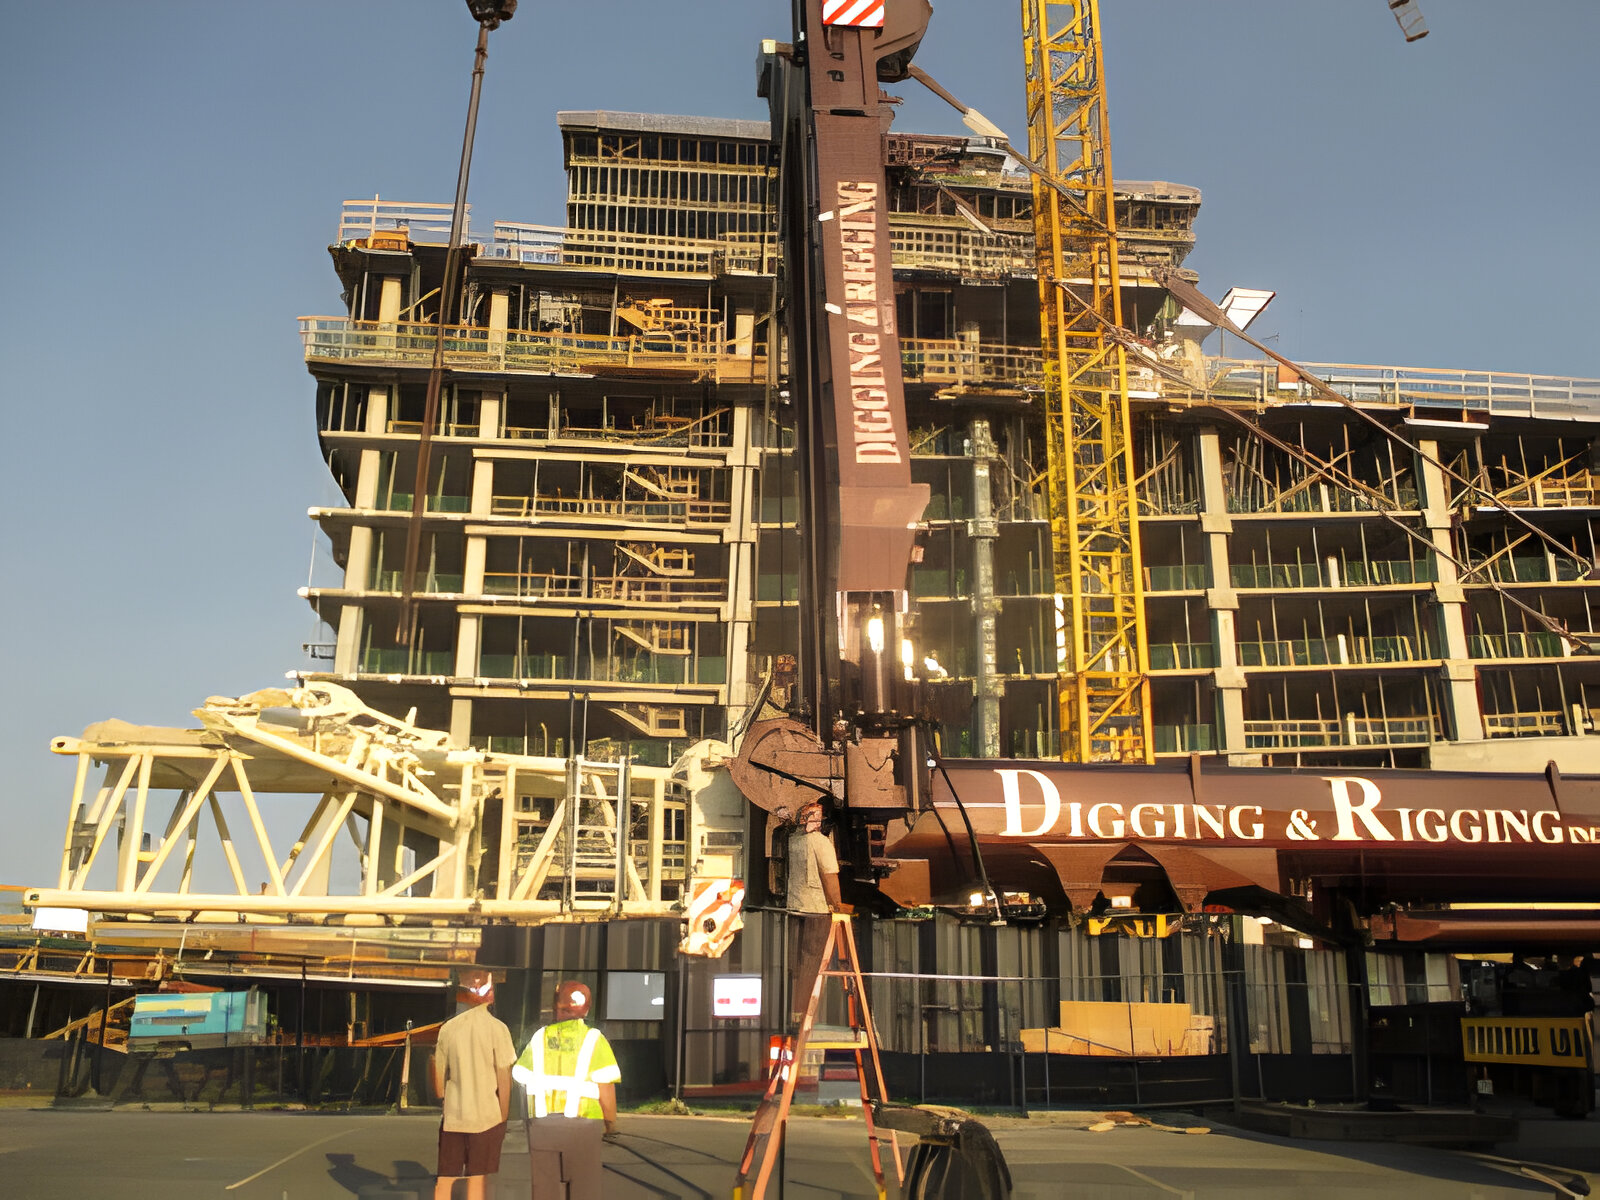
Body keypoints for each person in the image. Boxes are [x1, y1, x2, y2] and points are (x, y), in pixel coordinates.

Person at [512, 981, 621, 1200]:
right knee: (584, 1188)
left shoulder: (539, 1038)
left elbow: (520, 1075)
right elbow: (605, 1086)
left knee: (545, 1189)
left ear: (556, 1007)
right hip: (584, 1125)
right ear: (586, 1009)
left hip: (542, 1125)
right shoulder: (594, 1039)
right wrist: (610, 1124)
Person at [431, 968, 517, 1200]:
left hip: (454, 1117)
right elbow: (504, 1080)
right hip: (487, 1118)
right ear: (490, 995)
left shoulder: (447, 1029)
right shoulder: (498, 1029)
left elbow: (439, 1086)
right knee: (477, 1180)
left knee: (445, 1178)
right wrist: (503, 1118)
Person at [786, 801, 848, 1025]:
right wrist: (838, 905)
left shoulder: (793, 842)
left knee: (795, 962)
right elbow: (830, 877)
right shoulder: (821, 843)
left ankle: (791, 1009)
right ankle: (802, 1014)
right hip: (817, 910)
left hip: (794, 908)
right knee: (812, 963)